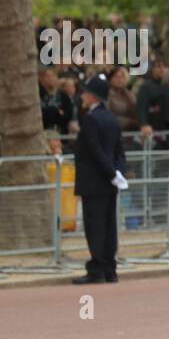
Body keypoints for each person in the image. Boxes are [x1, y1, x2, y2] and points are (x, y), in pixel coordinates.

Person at [73, 74, 127, 284]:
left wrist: (112, 173)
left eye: (86, 92)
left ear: (93, 96)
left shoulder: (91, 119)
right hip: (109, 181)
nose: (83, 95)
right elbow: (118, 152)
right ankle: (109, 268)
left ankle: (97, 269)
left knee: (95, 227)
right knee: (108, 226)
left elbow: (95, 152)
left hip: (94, 180)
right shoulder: (111, 118)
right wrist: (117, 173)